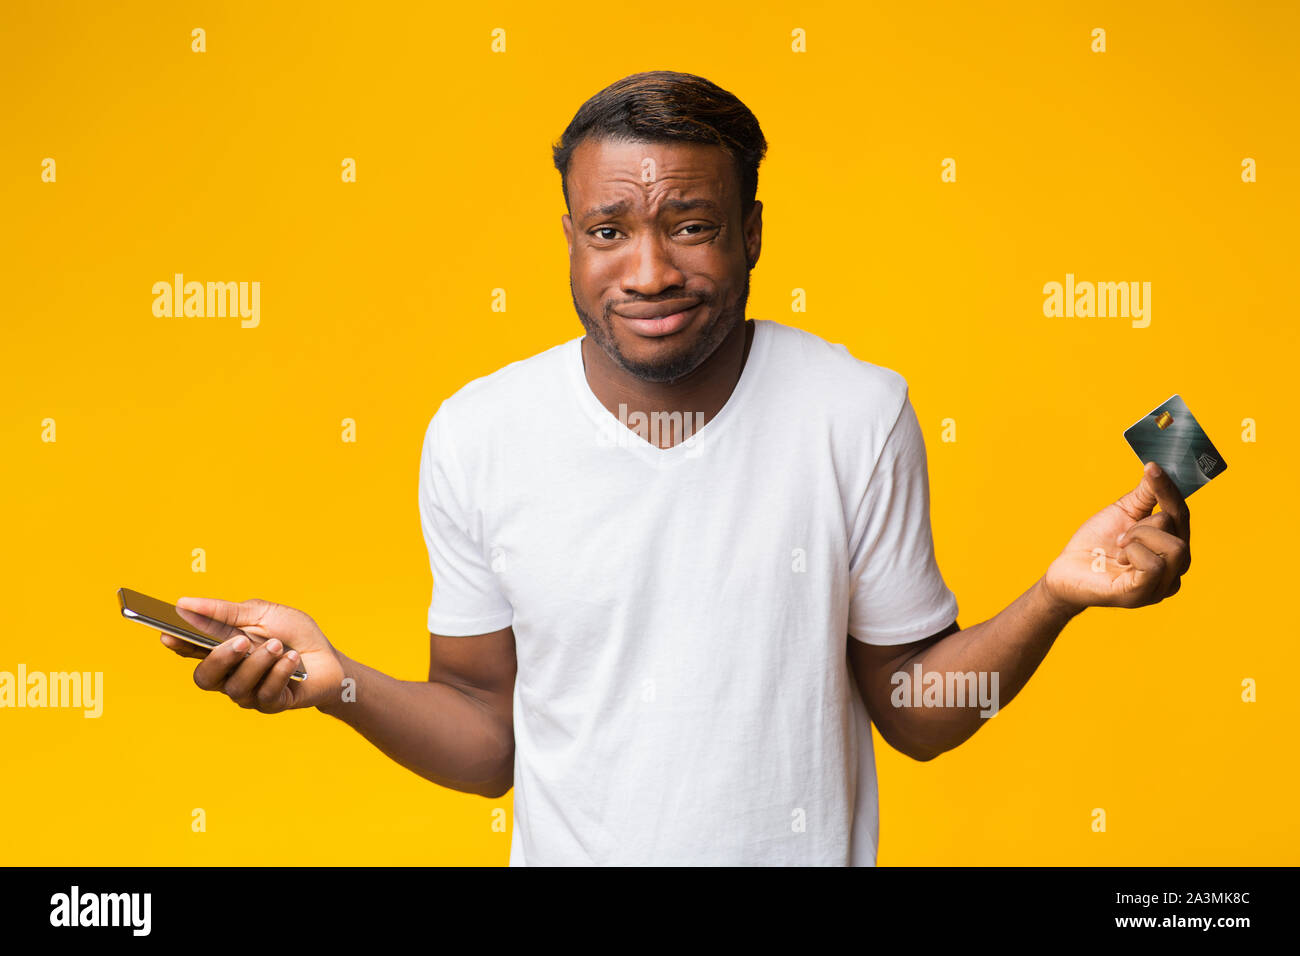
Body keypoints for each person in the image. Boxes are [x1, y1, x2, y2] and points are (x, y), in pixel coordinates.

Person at [159, 71, 1192, 865]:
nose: (647, 270)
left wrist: (1056, 595)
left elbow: (917, 712)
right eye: (608, 231)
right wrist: (337, 687)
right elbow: (485, 738)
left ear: (749, 233)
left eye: (689, 226)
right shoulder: (478, 431)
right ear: (568, 237)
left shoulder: (856, 410)